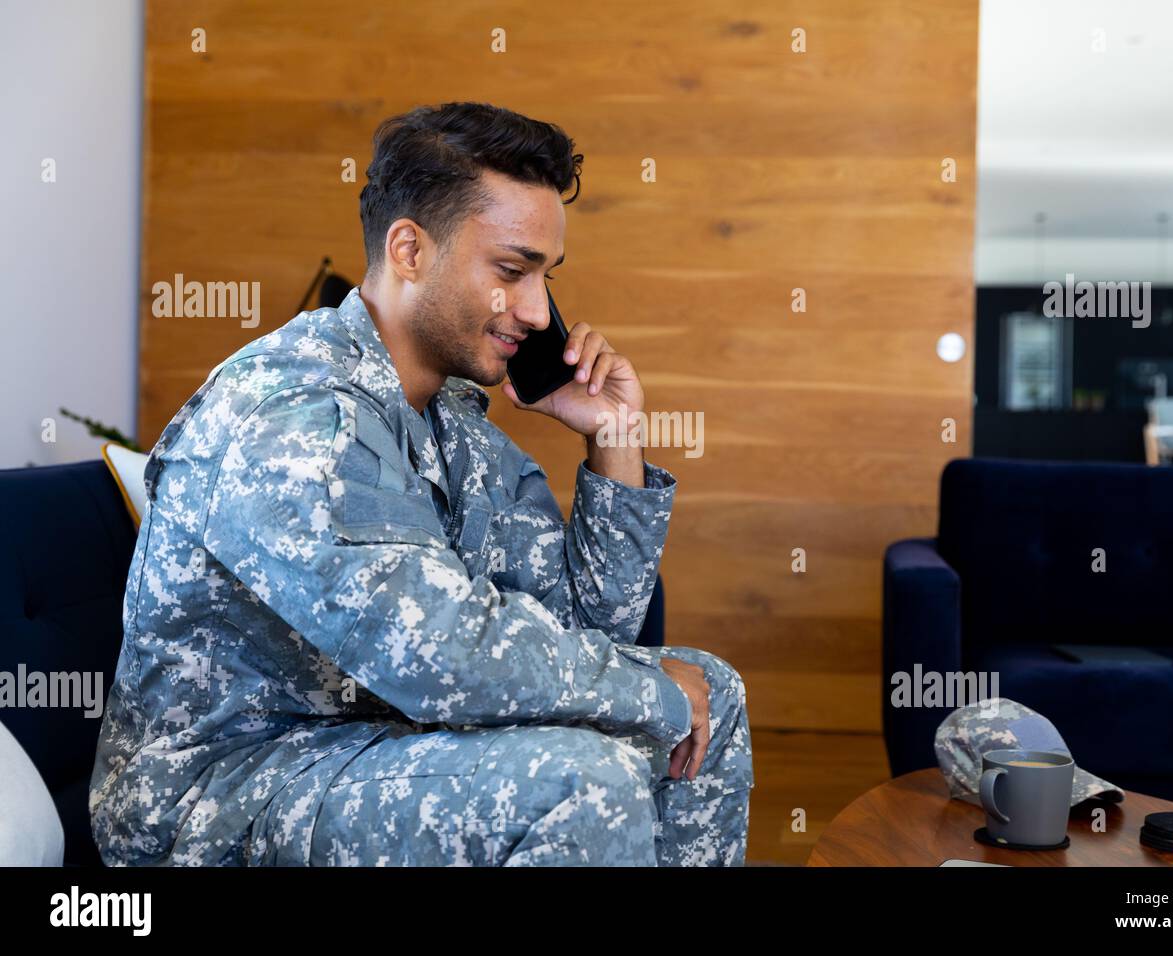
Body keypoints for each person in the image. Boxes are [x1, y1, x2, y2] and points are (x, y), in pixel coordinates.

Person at [89, 102, 754, 866]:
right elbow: (439, 658)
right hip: (220, 791)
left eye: (546, 277)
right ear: (409, 249)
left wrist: (614, 439)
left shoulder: (448, 420)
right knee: (581, 779)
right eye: (512, 270)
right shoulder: (292, 412)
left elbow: (592, 630)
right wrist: (650, 690)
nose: (538, 312)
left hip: (376, 738)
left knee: (712, 691)